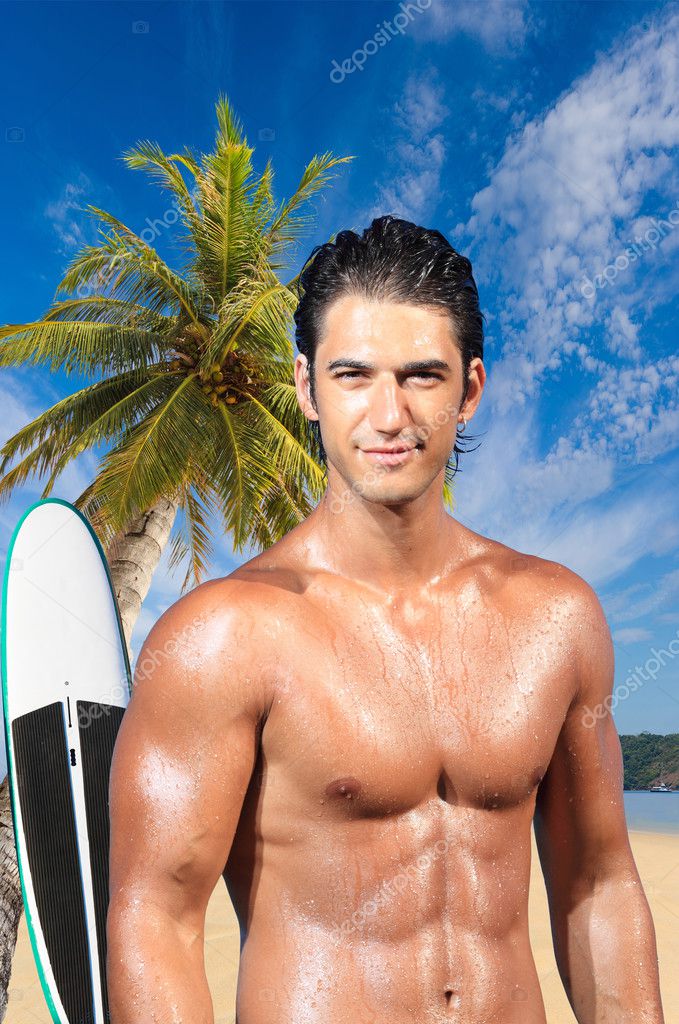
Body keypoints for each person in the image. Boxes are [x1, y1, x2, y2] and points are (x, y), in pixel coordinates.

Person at [106, 216, 665, 1023]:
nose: (388, 414)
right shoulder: (223, 635)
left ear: (469, 389)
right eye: (353, 374)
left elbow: (597, 886)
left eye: (421, 376)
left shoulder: (557, 618)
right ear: (306, 387)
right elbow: (154, 916)